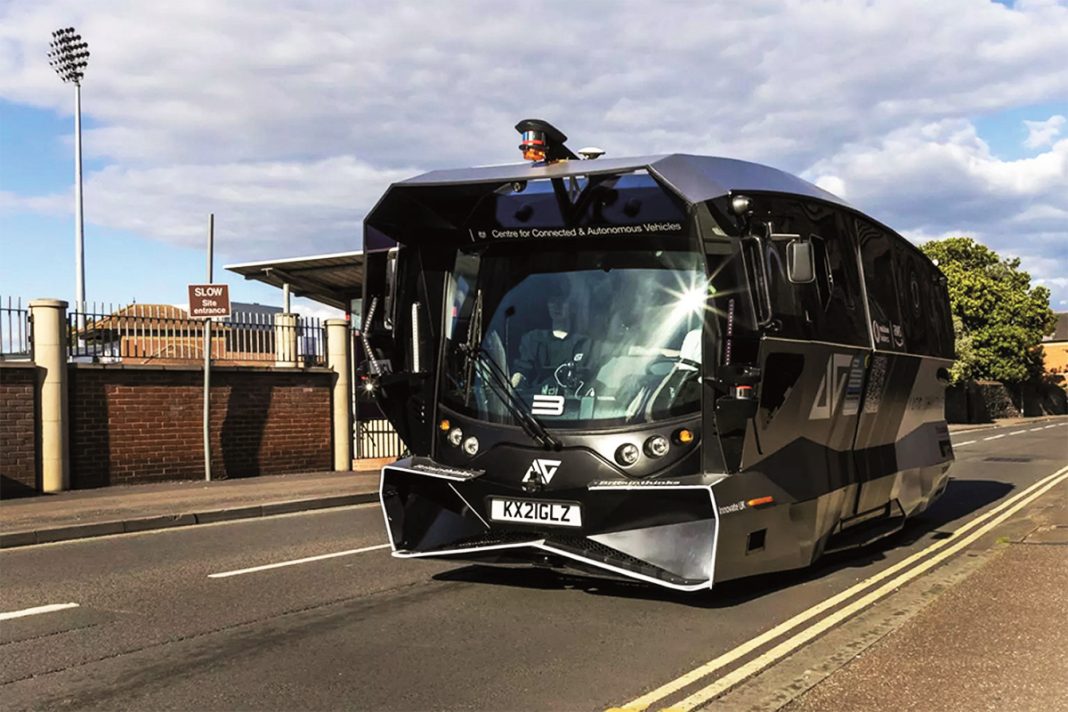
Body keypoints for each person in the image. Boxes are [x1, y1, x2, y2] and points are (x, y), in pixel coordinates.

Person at [510, 280, 591, 394]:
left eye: (562, 301)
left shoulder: (584, 344)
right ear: (547, 305)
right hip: (531, 406)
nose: (557, 306)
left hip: (574, 407)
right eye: (552, 301)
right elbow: (521, 371)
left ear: (572, 307)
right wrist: (510, 389)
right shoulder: (533, 340)